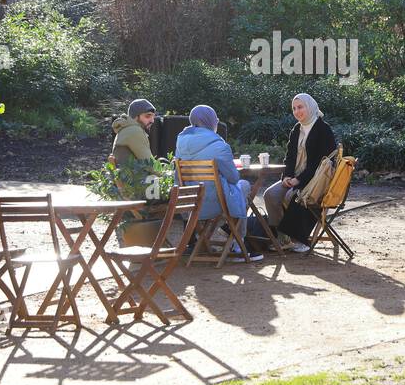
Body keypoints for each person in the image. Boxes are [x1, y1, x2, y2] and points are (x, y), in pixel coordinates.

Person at [175, 105, 262, 262]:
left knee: (233, 189)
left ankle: (226, 236)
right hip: (215, 204)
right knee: (243, 185)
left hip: (191, 204)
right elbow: (233, 178)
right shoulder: (220, 146)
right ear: (211, 121)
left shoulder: (180, 143)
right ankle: (237, 243)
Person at [262, 93, 338, 253]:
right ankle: (283, 238)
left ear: (309, 106)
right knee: (270, 195)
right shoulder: (296, 129)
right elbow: (289, 157)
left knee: (292, 196)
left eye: (300, 107)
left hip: (317, 180)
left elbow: (320, 164)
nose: (297, 111)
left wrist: (299, 180)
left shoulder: (323, 130)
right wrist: (287, 176)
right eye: (294, 108)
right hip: (295, 177)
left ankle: (299, 237)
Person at [111, 98, 156, 166]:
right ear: (136, 117)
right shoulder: (134, 131)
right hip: (134, 176)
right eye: (147, 116)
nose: (152, 121)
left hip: (126, 174)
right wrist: (165, 174)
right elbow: (150, 164)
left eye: (153, 117)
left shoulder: (127, 129)